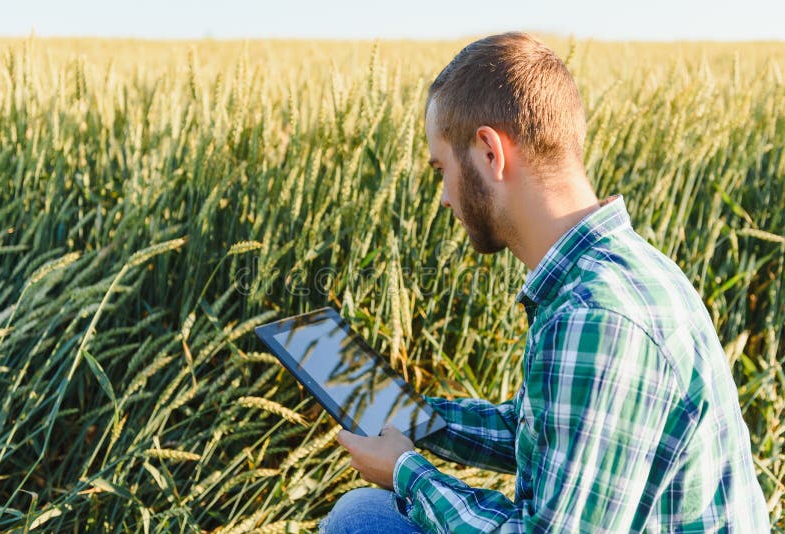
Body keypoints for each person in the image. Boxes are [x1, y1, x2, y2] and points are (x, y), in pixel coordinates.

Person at [319, 32, 770, 533]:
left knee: (358, 521)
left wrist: (408, 472)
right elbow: (539, 432)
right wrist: (407, 414)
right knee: (364, 514)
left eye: (441, 169)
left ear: (490, 152)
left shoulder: (594, 316)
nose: (444, 197)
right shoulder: (621, 268)